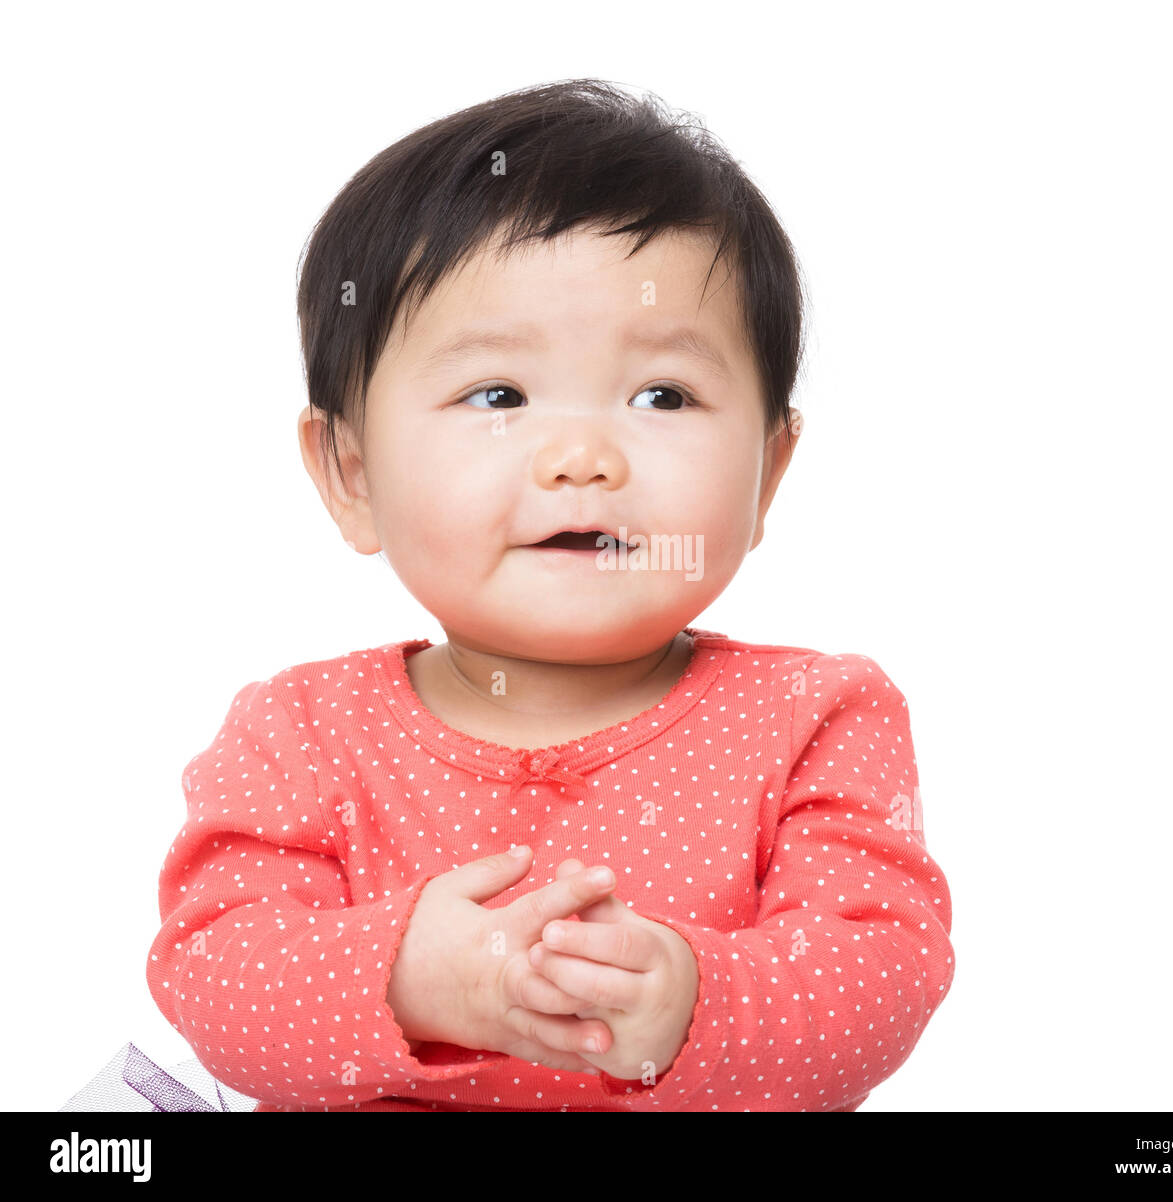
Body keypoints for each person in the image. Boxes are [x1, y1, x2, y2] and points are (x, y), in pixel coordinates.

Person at [140, 77, 955, 1112]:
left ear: (769, 472)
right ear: (350, 469)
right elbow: (212, 974)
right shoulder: (299, 734)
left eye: (663, 394)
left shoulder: (815, 717)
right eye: (498, 395)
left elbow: (882, 970)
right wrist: (411, 973)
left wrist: (696, 999)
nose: (582, 455)